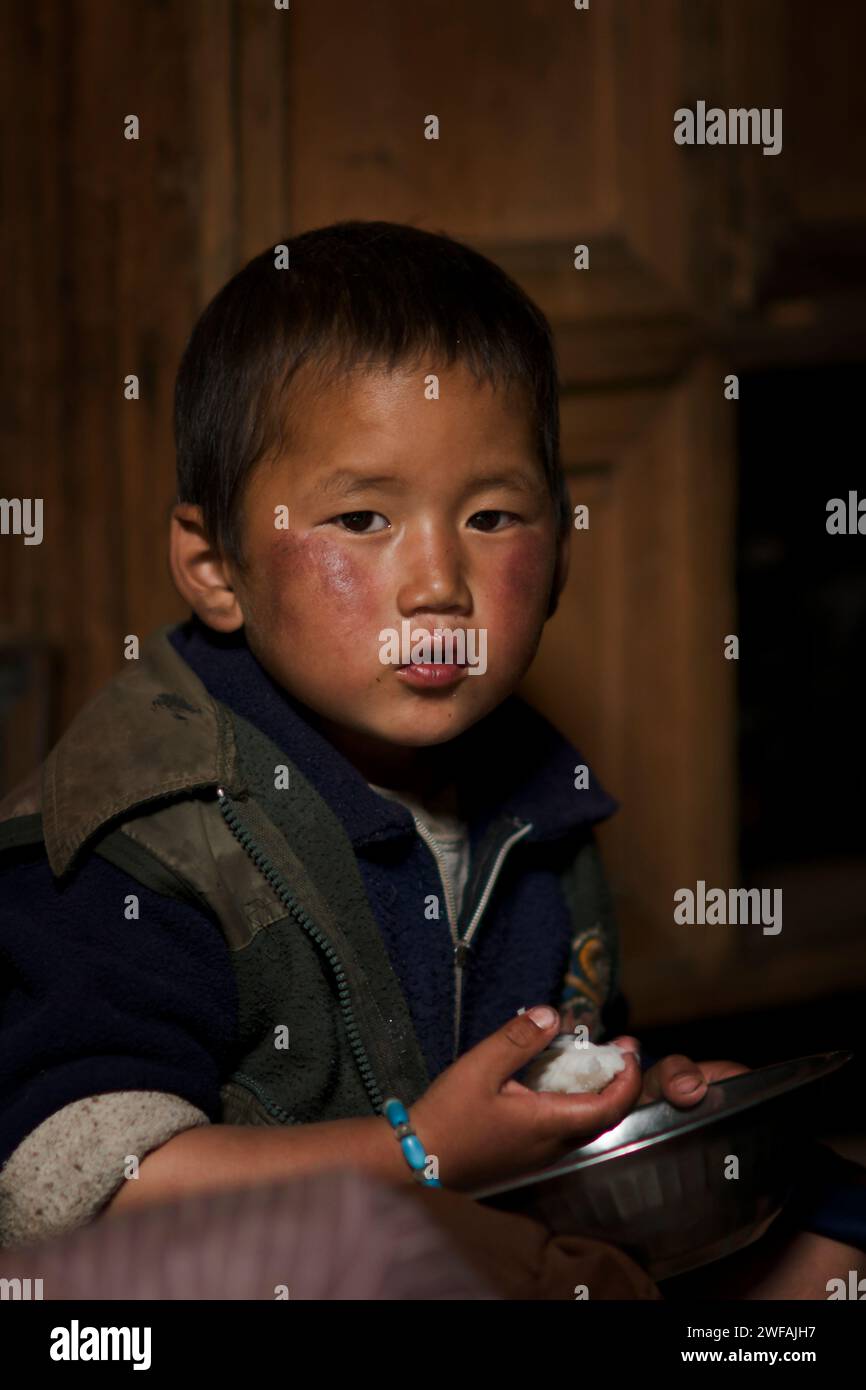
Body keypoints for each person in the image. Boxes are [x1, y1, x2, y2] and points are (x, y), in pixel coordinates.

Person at [0, 222, 862, 1299]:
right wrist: (415, 1155)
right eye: (361, 518)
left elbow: (529, 1096)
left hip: (470, 1233)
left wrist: (621, 1109)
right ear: (215, 566)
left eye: (492, 516)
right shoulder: (146, 832)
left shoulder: (535, 803)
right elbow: (70, 1194)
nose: (437, 583)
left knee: (826, 1233)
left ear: (558, 560)